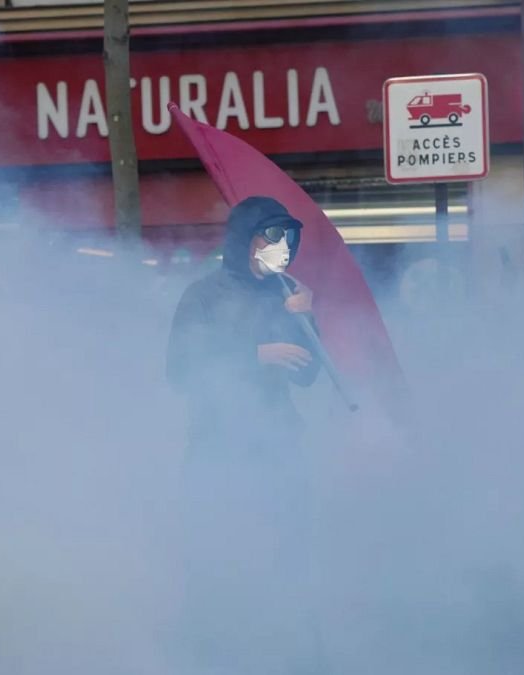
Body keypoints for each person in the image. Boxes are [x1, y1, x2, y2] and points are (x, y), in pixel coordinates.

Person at [165, 195, 325, 675]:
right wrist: (257, 354)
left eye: (288, 239)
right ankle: (212, 652)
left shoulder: (285, 294)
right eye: (270, 236)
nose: (281, 248)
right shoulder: (203, 295)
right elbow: (180, 370)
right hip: (218, 448)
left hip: (278, 446)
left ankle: (286, 650)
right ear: (243, 240)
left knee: (287, 554)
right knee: (215, 554)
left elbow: (308, 374)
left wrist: (306, 319)